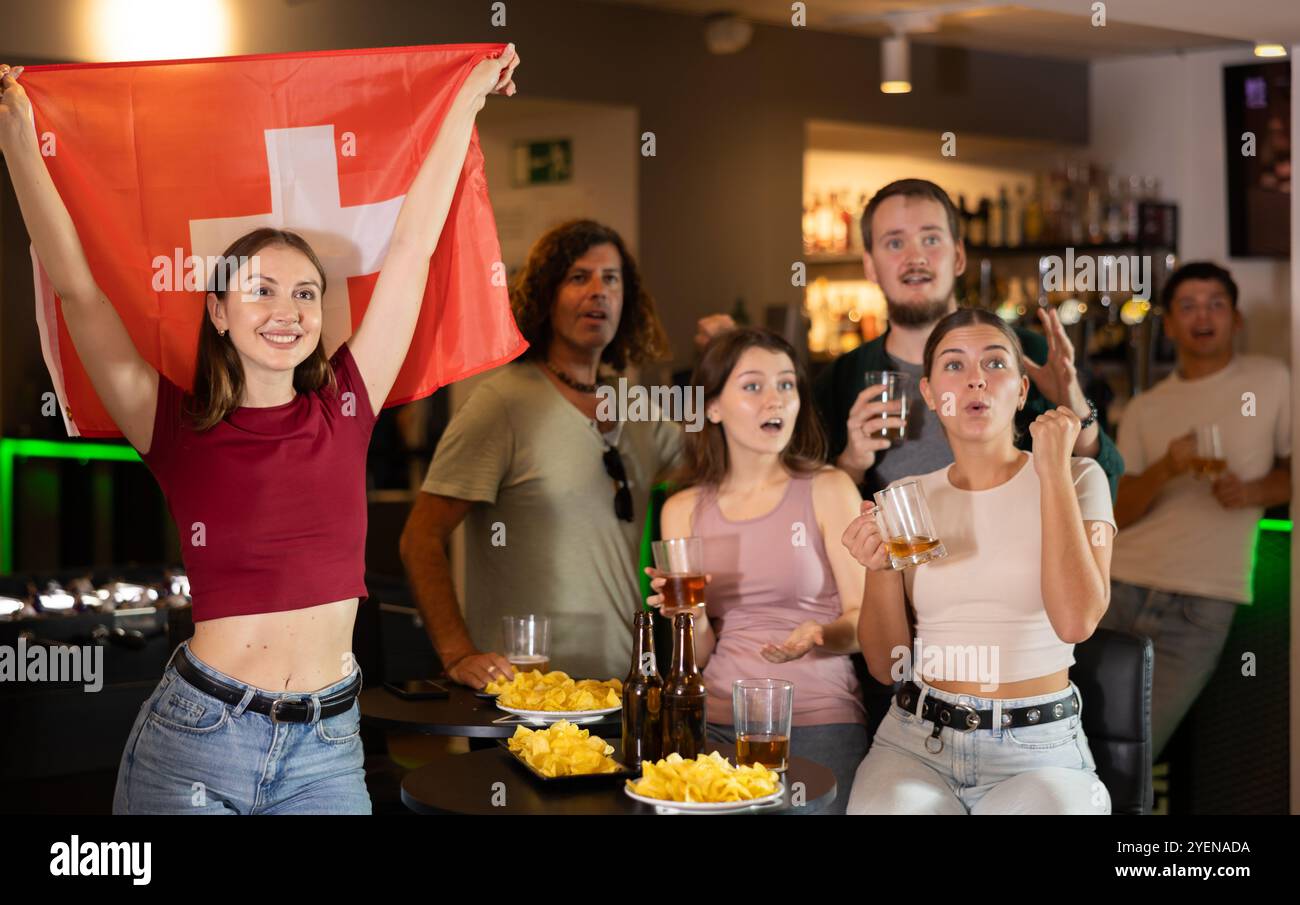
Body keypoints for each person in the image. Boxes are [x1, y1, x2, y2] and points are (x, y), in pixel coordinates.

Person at [0, 50, 520, 814]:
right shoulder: (173, 423)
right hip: (200, 736)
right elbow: (77, 287)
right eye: (262, 290)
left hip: (328, 746)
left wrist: (467, 102)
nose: (288, 309)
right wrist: (16, 135)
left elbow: (412, 250)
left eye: (306, 292)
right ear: (218, 311)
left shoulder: (348, 401)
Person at [841, 308, 1114, 814]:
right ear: (927, 393)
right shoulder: (905, 498)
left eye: (994, 363)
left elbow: (1076, 621)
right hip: (916, 743)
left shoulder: (1079, 478)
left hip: (1040, 751)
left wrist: (1051, 471)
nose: (975, 379)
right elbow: (885, 666)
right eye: (954, 365)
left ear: (1022, 391)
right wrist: (876, 568)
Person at [400, 219, 682, 686]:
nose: (599, 291)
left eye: (611, 279)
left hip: (622, 688)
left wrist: (729, 364)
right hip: (523, 695)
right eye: (579, 277)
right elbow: (420, 539)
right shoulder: (501, 404)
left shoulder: (639, 406)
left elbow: (719, 471)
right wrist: (456, 655)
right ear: (546, 296)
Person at [646, 327, 868, 814]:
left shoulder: (829, 489)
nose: (776, 400)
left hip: (818, 717)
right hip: (719, 720)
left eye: (787, 384)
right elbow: (699, 653)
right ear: (712, 407)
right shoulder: (681, 509)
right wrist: (691, 615)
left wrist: (820, 635)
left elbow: (864, 626)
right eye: (753, 386)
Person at [813, 178, 1123, 500]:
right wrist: (850, 464)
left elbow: (1103, 492)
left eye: (930, 239)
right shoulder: (839, 382)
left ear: (958, 256)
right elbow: (818, 523)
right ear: (870, 266)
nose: (915, 257)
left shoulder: (1029, 355)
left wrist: (1075, 408)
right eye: (894, 243)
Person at [1102, 261, 1291, 759]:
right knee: (1074, 751)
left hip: (1201, 602)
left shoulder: (1272, 381)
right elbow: (1118, 512)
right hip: (1118, 589)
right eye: (1187, 306)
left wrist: (1253, 492)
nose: (1202, 316)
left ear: (1236, 318)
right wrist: (1166, 468)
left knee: (1131, 761)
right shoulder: (1145, 408)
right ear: (1168, 324)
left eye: (1215, 304)